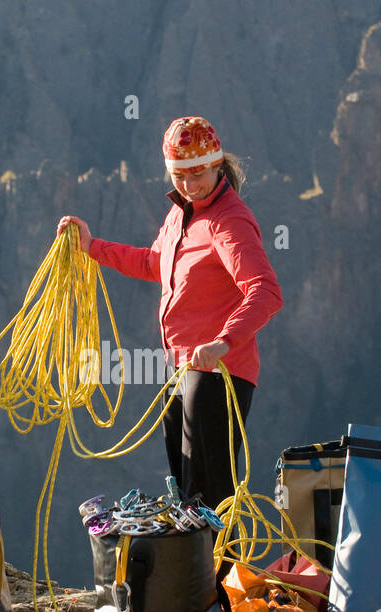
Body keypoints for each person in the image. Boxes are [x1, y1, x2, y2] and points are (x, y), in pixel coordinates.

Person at [57, 114, 282, 520]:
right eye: (179, 174)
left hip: (219, 372)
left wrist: (223, 342)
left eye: (197, 173)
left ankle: (217, 579)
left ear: (216, 165)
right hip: (180, 367)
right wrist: (92, 247)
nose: (189, 184)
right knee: (184, 486)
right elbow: (154, 262)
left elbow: (265, 291)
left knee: (208, 490)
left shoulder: (229, 222)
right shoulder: (182, 214)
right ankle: (193, 579)